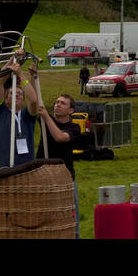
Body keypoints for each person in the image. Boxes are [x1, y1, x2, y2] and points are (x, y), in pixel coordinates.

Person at [37, 93, 85, 237]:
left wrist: (46, 117)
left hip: (65, 180)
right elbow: (35, 98)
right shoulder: (46, 119)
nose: (57, 105)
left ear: (71, 110)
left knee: (71, 219)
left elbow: (59, 137)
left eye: (62, 103)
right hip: (43, 178)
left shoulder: (74, 128)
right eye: (56, 102)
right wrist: (32, 76)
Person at [0, 57, 40, 172]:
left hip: (25, 168)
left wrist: (21, 74)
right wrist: (13, 59)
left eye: (20, 93)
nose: (16, 95)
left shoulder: (28, 115)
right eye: (11, 93)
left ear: (23, 99)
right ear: (6, 99)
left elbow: (33, 100)